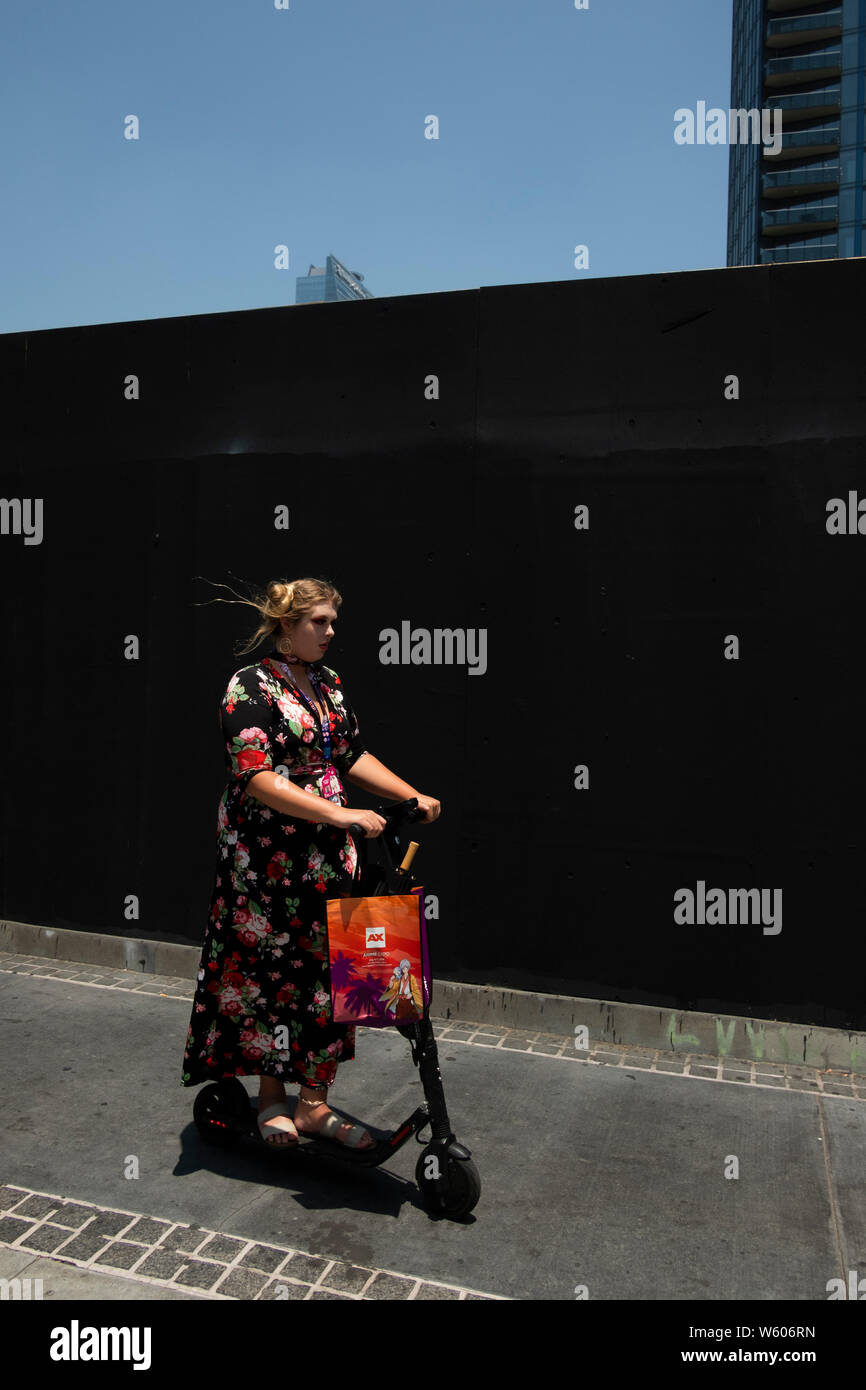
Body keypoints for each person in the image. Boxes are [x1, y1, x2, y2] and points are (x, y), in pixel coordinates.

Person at [181, 576, 441, 1149]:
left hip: (327, 857)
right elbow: (256, 777)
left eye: (331, 622)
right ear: (286, 626)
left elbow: (349, 753)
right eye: (318, 622)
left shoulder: (327, 683)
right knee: (271, 977)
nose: (329, 632)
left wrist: (408, 796)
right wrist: (339, 815)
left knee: (332, 980)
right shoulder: (248, 686)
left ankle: (314, 1106)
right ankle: (271, 1101)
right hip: (267, 860)